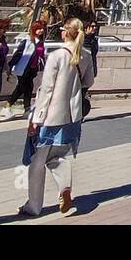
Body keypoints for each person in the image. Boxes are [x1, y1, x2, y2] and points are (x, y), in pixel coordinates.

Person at [19, 18, 95, 219]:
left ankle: (34, 205)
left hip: (51, 115)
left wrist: (37, 117)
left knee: (37, 161)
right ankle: (65, 184)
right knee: (57, 156)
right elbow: (89, 81)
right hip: (72, 115)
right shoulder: (85, 55)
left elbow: (46, 90)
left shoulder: (57, 56)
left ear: (64, 33)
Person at [4, 21, 47, 118]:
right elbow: (18, 54)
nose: (41, 31)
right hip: (24, 68)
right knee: (23, 88)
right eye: (39, 29)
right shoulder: (27, 41)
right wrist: (10, 66)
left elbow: (41, 55)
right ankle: (12, 106)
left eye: (42, 29)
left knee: (27, 88)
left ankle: (24, 108)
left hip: (32, 68)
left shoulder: (40, 42)